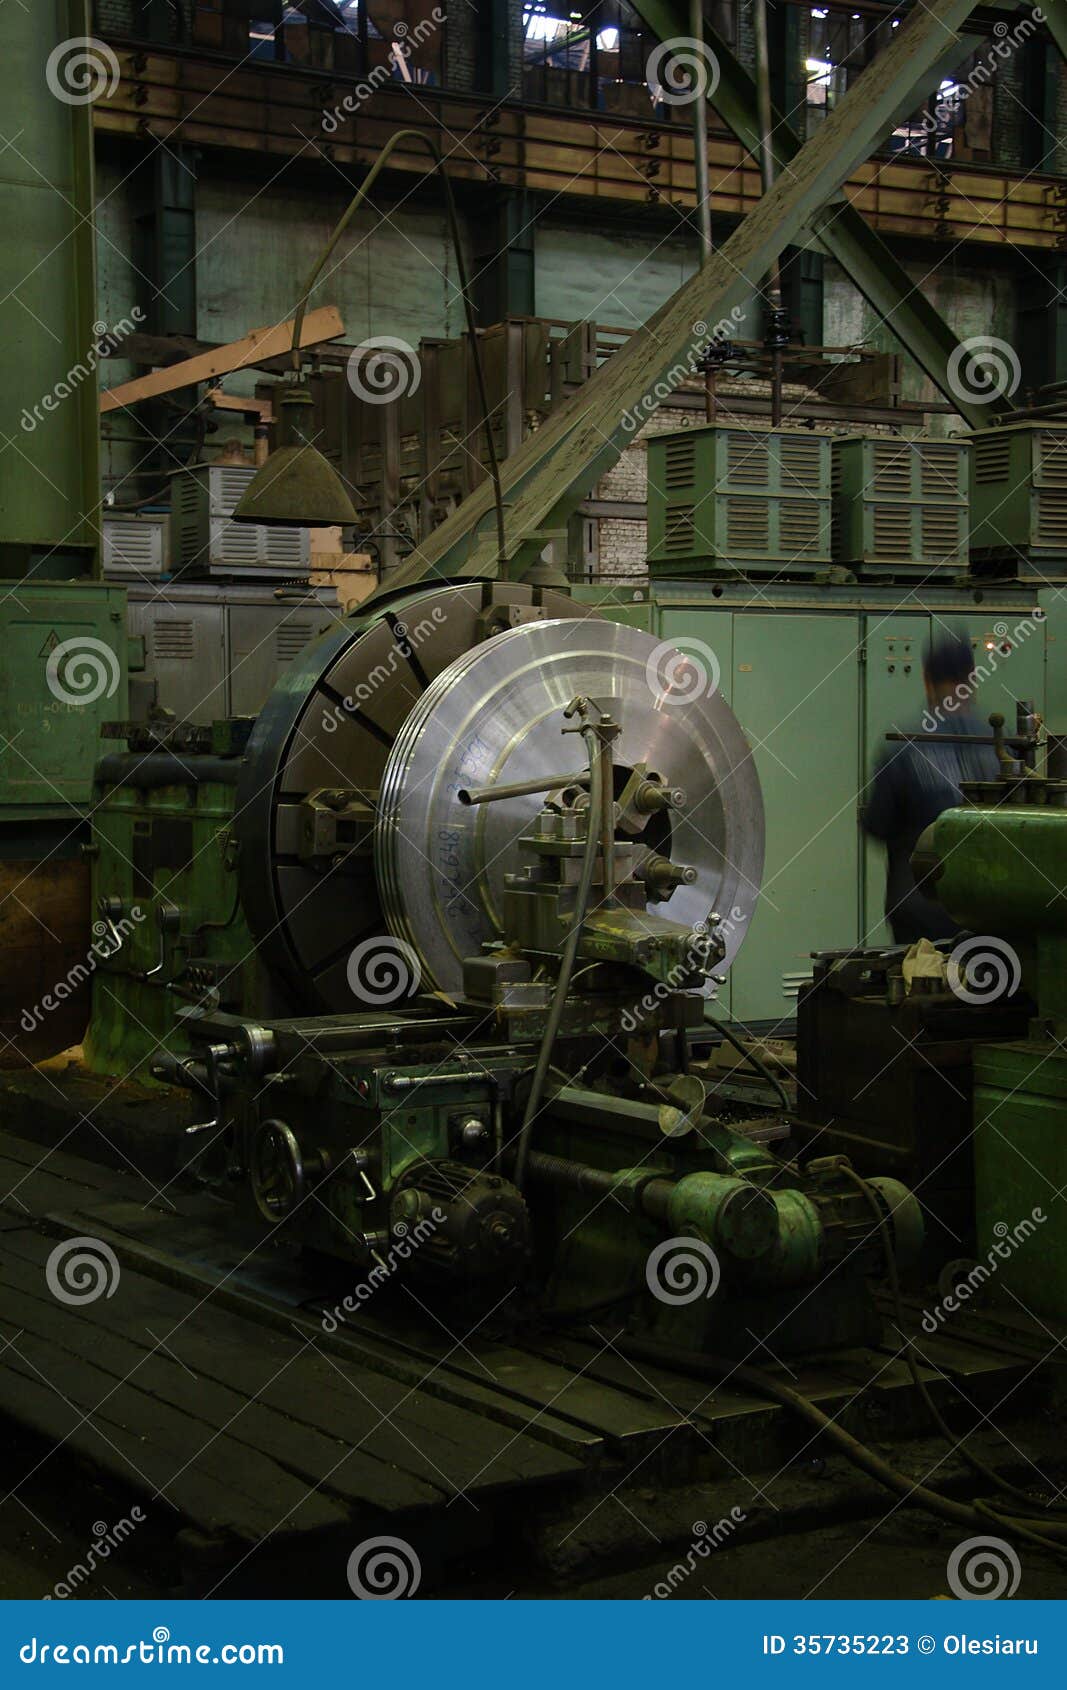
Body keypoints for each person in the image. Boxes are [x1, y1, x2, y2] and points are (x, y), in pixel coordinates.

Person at [863, 630, 1000, 945]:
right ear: (972, 678)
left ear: (926, 679)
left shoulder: (902, 747)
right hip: (987, 910)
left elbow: (878, 826)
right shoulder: (1000, 745)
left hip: (919, 910)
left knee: (922, 972)